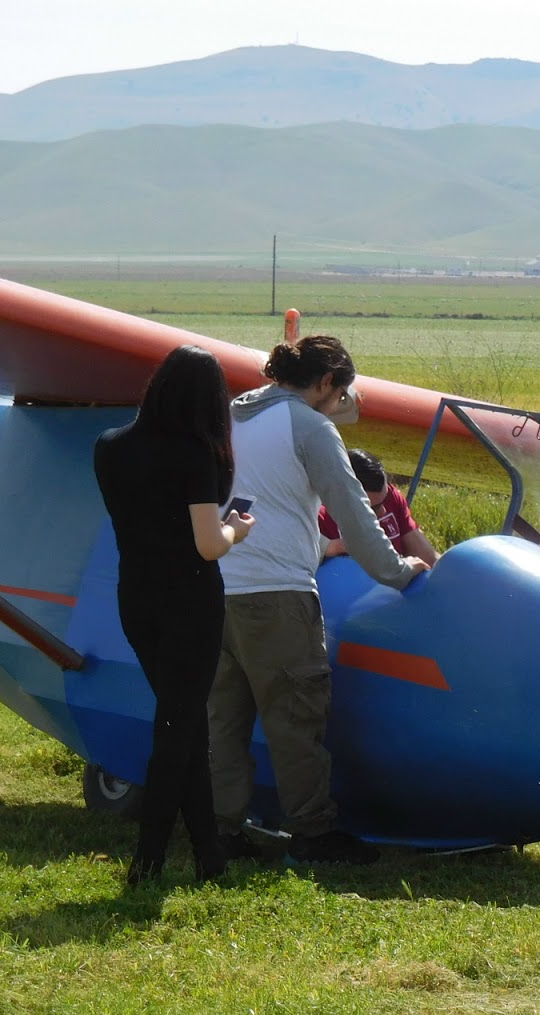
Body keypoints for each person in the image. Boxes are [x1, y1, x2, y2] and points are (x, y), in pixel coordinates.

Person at [209, 335, 429, 866]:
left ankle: (220, 828)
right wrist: (397, 573)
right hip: (278, 594)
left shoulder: (237, 412)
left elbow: (328, 412)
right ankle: (311, 832)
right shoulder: (310, 427)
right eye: (340, 389)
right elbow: (354, 512)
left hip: (217, 586)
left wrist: (330, 401)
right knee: (297, 717)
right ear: (327, 383)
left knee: (224, 721)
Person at [93, 344, 255, 886]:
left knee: (182, 725)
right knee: (177, 729)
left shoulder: (109, 447)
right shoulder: (195, 455)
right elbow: (208, 546)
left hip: (136, 599)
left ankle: (210, 855)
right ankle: (149, 861)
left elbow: (144, 522)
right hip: (190, 602)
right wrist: (240, 529)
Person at [318, 448, 440, 567]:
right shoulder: (318, 520)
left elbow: (430, 560)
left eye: (384, 500)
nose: (383, 512)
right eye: (372, 508)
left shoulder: (391, 497)